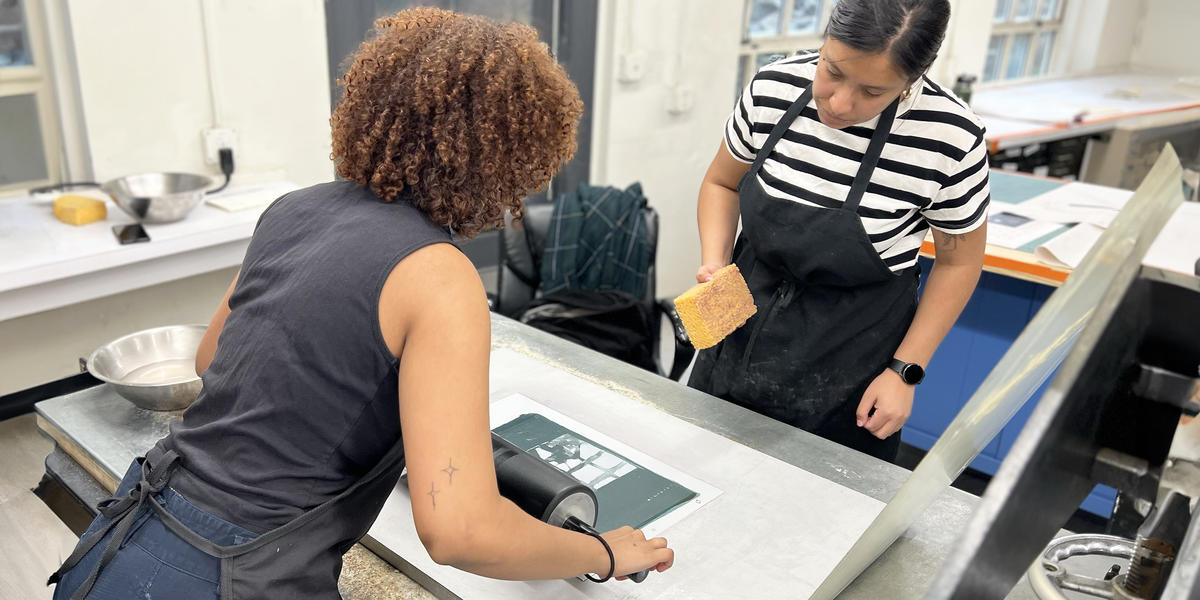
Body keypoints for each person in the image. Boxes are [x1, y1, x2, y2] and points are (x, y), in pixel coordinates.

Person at [50, 8, 673, 599]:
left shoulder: (294, 209)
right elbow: (460, 531)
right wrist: (606, 554)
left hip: (129, 537)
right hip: (231, 574)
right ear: (513, 160)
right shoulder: (440, 275)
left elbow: (214, 359)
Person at [688, 0, 989, 462]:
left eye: (872, 91)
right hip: (739, 327)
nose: (840, 103)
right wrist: (716, 261)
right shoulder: (774, 87)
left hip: (852, 362)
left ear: (913, 78)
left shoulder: (950, 137)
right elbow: (722, 182)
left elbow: (959, 261)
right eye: (832, 71)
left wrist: (905, 371)